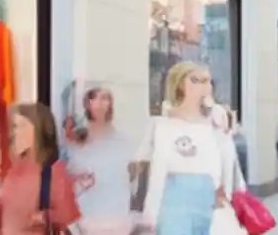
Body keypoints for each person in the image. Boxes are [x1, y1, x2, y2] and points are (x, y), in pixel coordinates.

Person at [132, 61, 246, 235]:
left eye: (207, 80)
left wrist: (229, 199)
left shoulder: (217, 123)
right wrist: (147, 218)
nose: (203, 86)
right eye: (195, 80)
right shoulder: (161, 124)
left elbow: (229, 165)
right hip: (172, 204)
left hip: (212, 203)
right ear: (179, 84)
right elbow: (149, 171)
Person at [0, 102, 81, 235]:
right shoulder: (12, 172)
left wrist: (45, 217)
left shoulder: (54, 172)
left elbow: (68, 215)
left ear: (38, 130)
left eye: (20, 126)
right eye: (13, 128)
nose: (14, 133)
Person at [63, 87, 133, 235]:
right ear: (87, 104)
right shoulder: (75, 141)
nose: (100, 103)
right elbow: (66, 178)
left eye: (105, 98)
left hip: (115, 218)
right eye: (94, 98)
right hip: (85, 216)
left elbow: (128, 178)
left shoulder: (122, 140)